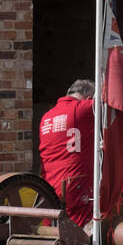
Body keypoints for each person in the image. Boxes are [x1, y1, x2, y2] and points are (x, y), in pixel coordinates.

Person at [38, 79, 95, 227]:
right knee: (76, 233)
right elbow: (112, 102)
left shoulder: (46, 117)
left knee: (50, 228)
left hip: (48, 185)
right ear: (89, 98)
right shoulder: (84, 109)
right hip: (75, 184)